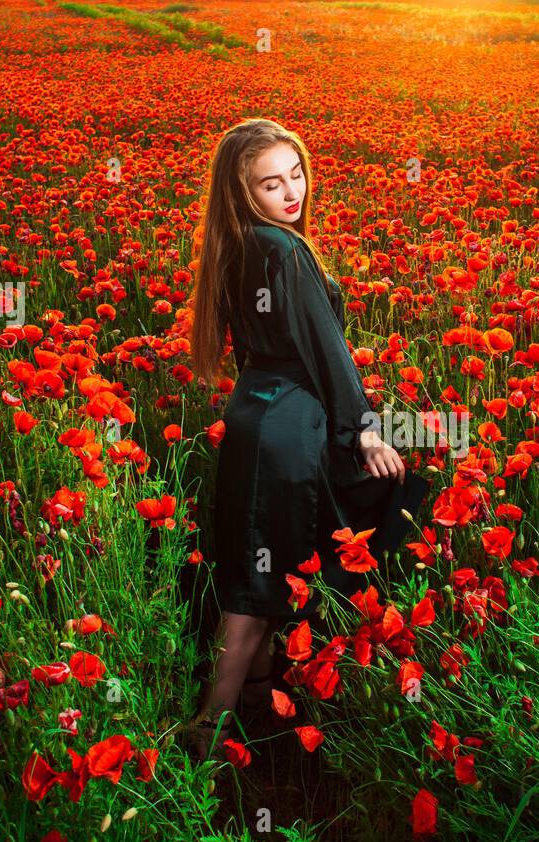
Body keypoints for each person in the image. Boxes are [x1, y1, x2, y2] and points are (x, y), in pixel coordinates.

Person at [179, 118, 414, 762]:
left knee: (258, 562)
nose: (293, 193)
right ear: (242, 191)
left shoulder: (235, 246)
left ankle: (253, 696)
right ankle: (211, 723)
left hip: (255, 418)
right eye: (271, 183)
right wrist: (364, 427)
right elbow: (327, 349)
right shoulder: (283, 250)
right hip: (290, 424)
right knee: (263, 583)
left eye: (297, 174)